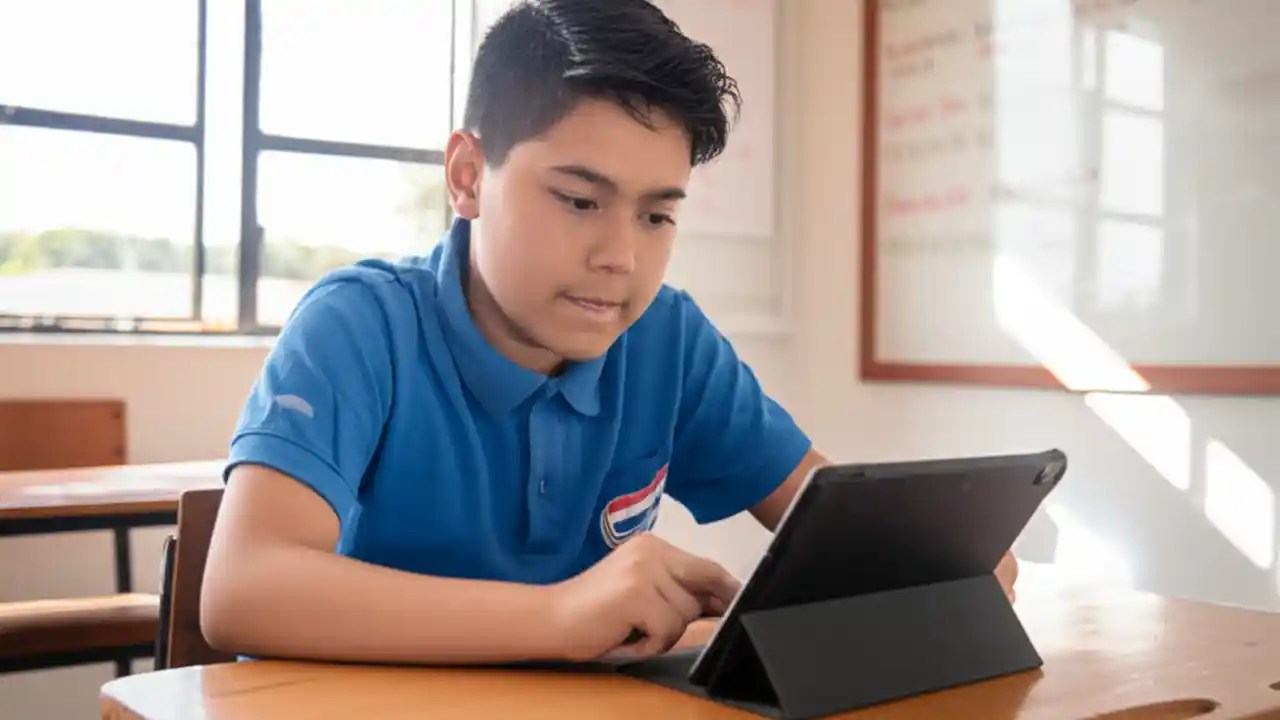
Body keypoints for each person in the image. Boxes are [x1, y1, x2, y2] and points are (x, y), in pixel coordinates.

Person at [201, 0, 1018, 665]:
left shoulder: (667, 340)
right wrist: (559, 615)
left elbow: (827, 514)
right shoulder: (359, 325)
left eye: (658, 214)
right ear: (467, 176)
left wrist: (929, 560)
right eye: (580, 201)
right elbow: (243, 591)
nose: (620, 258)